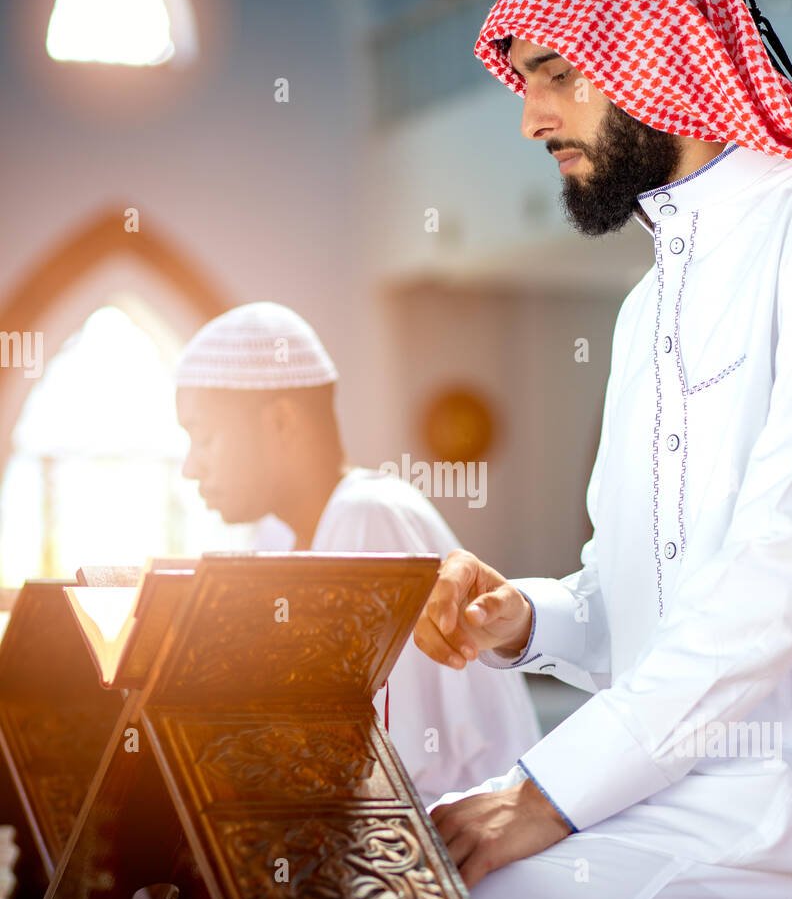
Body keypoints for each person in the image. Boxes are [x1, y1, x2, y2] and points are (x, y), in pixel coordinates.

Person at [334, 0, 792, 899]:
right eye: (524, 78)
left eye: (558, 75)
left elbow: (786, 566)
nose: (528, 117)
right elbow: (632, 603)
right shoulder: (640, 311)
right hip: (680, 790)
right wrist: (523, 616)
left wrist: (548, 790)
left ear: (663, 54)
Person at [174, 301, 541, 807]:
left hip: (460, 860)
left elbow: (393, 767)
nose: (190, 467)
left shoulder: (367, 516)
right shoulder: (275, 538)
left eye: (205, 438)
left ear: (280, 422)